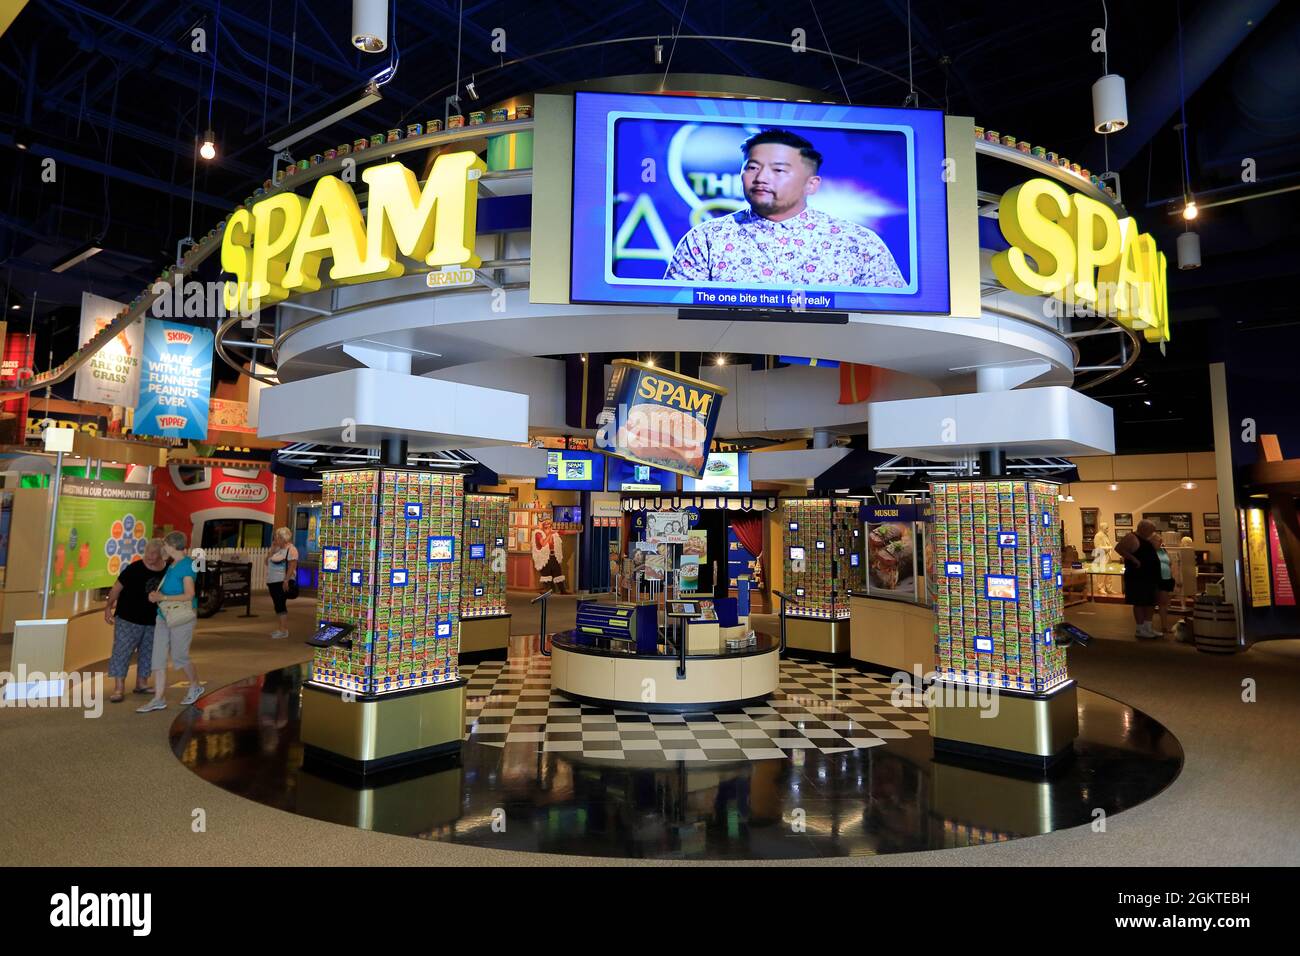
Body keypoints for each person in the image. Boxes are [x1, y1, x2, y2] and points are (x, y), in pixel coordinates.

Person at [663, 129, 906, 289]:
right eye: (753, 167)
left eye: (778, 170)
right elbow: (672, 313)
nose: (761, 178)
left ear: (811, 185)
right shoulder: (705, 238)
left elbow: (892, 318)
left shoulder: (859, 243)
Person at [137, 531, 204, 713]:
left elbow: (189, 595)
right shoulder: (172, 564)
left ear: (172, 546)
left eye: (165, 544)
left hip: (180, 616)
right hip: (164, 615)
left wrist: (163, 597)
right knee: (158, 657)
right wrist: (158, 597)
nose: (162, 547)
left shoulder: (187, 566)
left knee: (180, 656)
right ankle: (158, 698)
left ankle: (195, 685)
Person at [104, 538, 169, 703]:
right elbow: (116, 588)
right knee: (122, 651)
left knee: (148, 653)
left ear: (162, 555)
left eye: (154, 553)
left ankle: (142, 683)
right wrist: (108, 607)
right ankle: (119, 688)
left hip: (153, 620)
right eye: (147, 552)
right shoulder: (134, 569)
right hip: (128, 618)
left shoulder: (167, 571)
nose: (149, 556)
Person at [1116, 519, 1161, 639]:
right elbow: (1119, 548)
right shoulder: (1131, 537)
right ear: (1143, 529)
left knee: (1150, 602)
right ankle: (1140, 628)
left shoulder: (1147, 539)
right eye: (1150, 531)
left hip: (1149, 576)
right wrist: (1133, 559)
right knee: (1140, 602)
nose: (1152, 533)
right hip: (1137, 576)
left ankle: (1148, 627)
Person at [265, 527, 299, 639]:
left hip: (281, 581)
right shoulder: (277, 549)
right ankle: (281, 629)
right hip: (273, 581)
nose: (275, 538)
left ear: (283, 538)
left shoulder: (291, 549)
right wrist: (272, 549)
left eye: (277, 536)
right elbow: (267, 562)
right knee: (277, 605)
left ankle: (284, 630)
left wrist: (286, 580)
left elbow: (292, 566)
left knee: (280, 605)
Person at [531, 518, 566, 594]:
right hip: (544, 557)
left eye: (549, 525)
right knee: (546, 573)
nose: (548, 526)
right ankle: (548, 590)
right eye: (545, 524)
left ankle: (562, 590)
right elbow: (543, 543)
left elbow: (565, 531)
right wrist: (550, 533)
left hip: (554, 556)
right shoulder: (538, 533)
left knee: (557, 572)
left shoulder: (554, 533)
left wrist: (579, 529)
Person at [1152, 532, 1176, 637]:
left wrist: (1172, 574)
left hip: (1166, 578)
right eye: (1158, 540)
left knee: (1164, 603)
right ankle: (1148, 625)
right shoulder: (1151, 552)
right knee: (1154, 602)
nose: (1160, 542)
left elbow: (1170, 563)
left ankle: (1164, 626)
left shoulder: (1163, 550)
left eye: (1161, 540)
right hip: (1156, 579)